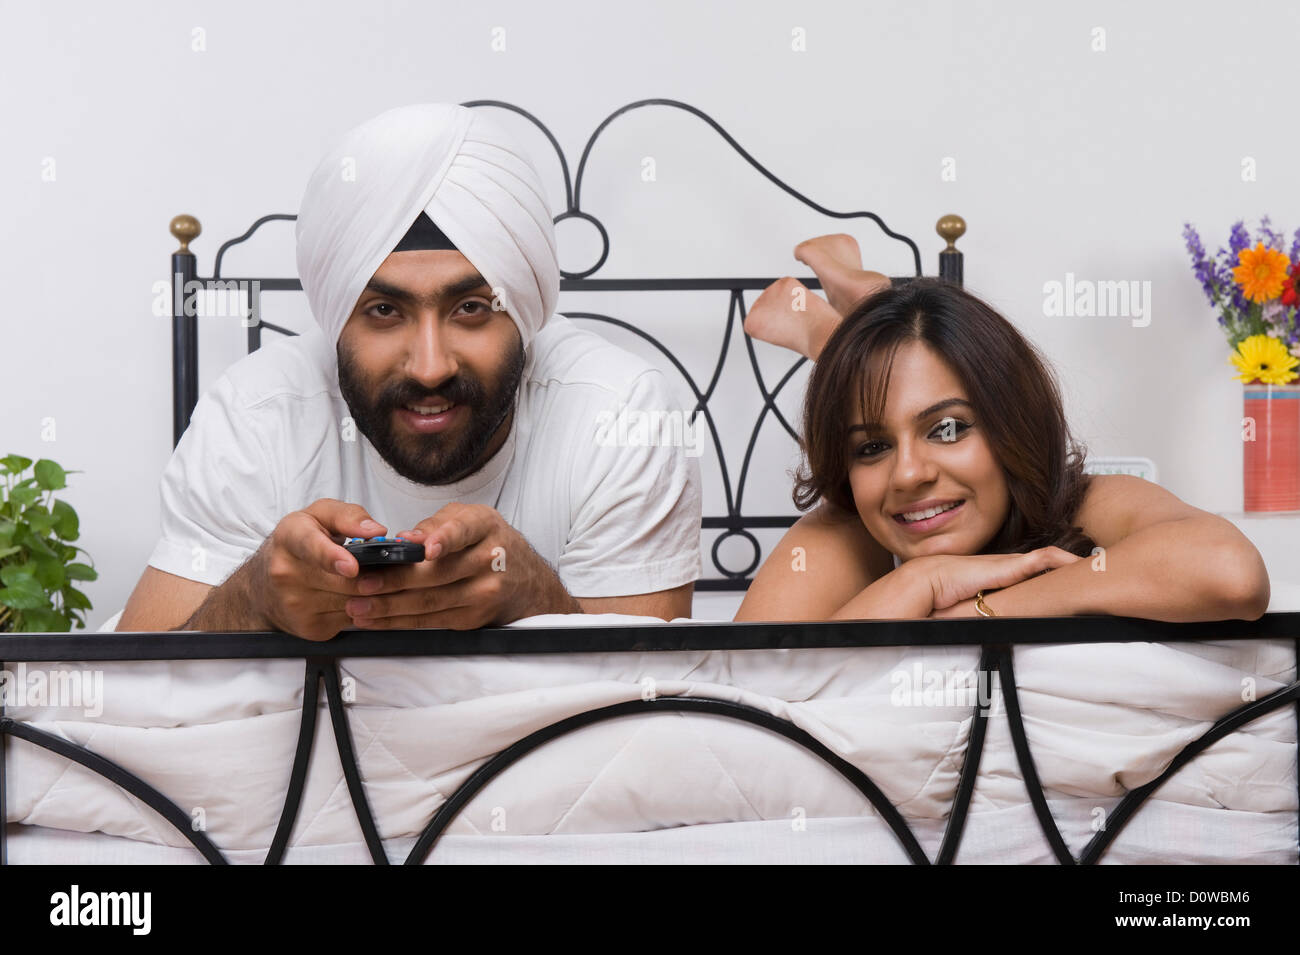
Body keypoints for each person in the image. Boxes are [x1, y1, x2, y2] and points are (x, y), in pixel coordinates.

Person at [118, 104, 702, 640]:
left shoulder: (622, 414)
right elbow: (134, 695)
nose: (429, 368)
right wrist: (253, 599)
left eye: (471, 308)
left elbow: (646, 710)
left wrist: (535, 597)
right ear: (335, 316)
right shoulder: (254, 414)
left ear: (524, 313)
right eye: (384, 311)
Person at [736, 235, 1270, 623]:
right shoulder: (850, 527)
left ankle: (841, 333)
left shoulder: (1081, 502)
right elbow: (742, 699)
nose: (907, 474)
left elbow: (1231, 574)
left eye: (946, 429)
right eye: (871, 446)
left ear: (1010, 423)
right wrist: (922, 579)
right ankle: (848, 328)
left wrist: (980, 610)